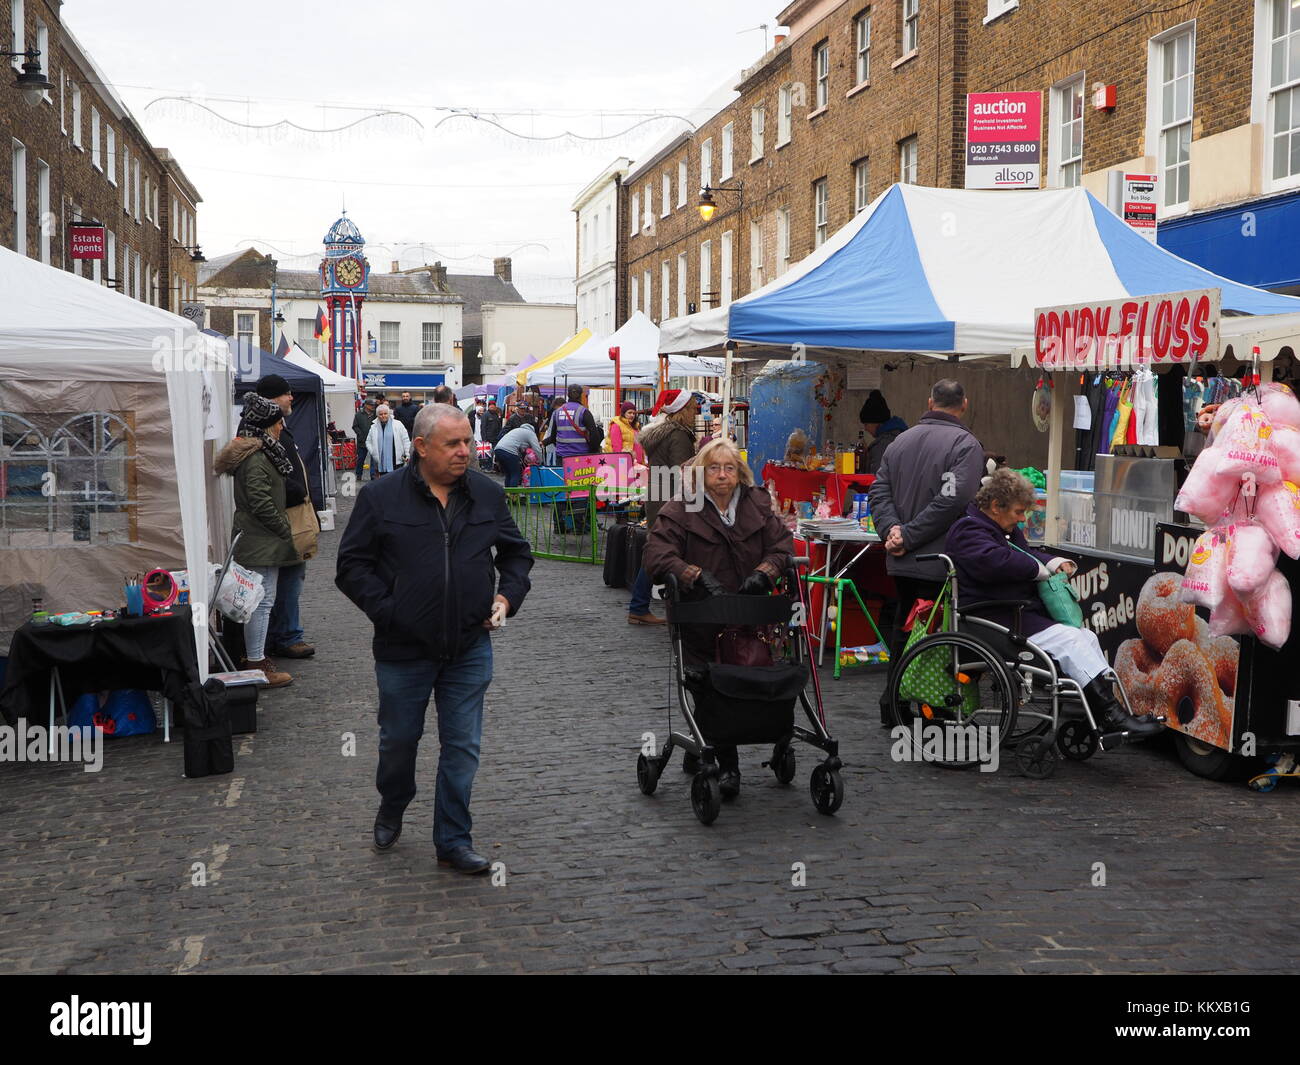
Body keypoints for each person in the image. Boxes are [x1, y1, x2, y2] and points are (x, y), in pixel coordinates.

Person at [336, 403, 534, 872]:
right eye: (453, 444)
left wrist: (505, 599)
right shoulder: (381, 498)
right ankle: (394, 801)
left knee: (462, 747)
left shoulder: (486, 494)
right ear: (421, 447)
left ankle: (453, 839)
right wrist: (390, 612)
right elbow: (352, 567)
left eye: (467, 441)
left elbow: (516, 555)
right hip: (403, 650)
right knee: (398, 741)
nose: (465, 451)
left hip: (468, 646)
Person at [945, 469, 1162, 738]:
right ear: (995, 507)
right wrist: (1037, 569)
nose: (1023, 519)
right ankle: (1112, 715)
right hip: (992, 617)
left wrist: (1053, 562)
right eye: (1018, 512)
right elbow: (997, 563)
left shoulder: (999, 527)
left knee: (1087, 637)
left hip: (1012, 612)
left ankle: (1098, 712)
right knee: (1070, 641)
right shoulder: (967, 530)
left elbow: (1025, 553)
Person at [643, 438, 795, 798]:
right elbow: (656, 554)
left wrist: (766, 570)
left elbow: (782, 546)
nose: (722, 476)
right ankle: (727, 763)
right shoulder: (681, 508)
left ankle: (720, 743)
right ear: (701, 472)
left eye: (729, 468)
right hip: (702, 620)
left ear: (739, 472)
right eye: (714, 468)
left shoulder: (757, 503)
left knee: (752, 681)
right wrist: (692, 573)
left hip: (750, 618)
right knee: (714, 685)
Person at [869, 379, 985, 725]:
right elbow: (952, 502)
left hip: (904, 559)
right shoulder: (965, 444)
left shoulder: (899, 442)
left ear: (929, 402)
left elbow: (879, 492)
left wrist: (894, 531)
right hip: (938, 560)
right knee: (934, 634)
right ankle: (926, 705)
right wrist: (905, 534)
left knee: (905, 628)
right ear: (963, 405)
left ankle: (894, 704)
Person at [213, 393, 298, 688]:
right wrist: (283, 528)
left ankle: (255, 658)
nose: (281, 426)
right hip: (261, 539)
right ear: (268, 425)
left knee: (260, 600)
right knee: (261, 602)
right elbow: (260, 501)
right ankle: (256, 662)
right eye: (278, 421)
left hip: (261, 538)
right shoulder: (258, 456)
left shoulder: (260, 453)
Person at [253, 374, 320, 661]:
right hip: (283, 517)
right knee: (279, 584)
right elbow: (268, 482)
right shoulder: (259, 435)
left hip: (292, 514)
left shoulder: (279, 431)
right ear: (271, 399)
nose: (291, 397)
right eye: (286, 394)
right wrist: (294, 493)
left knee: (291, 577)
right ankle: (284, 636)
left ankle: (284, 634)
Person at [858, 389, 908, 474]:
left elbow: (875, 478)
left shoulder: (882, 445)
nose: (865, 429)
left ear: (875, 423)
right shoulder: (901, 436)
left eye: (866, 424)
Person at [546, 384, 601, 462]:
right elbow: (594, 436)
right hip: (581, 456)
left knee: (563, 474)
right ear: (581, 395)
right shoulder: (584, 412)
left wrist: (562, 448)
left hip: (562, 457)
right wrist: (592, 450)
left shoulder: (557, 412)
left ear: (568, 395)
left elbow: (553, 437)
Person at [493, 418, 543, 488]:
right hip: (509, 451)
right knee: (515, 474)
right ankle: (513, 496)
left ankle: (508, 495)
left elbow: (520, 447)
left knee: (508, 474)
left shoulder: (516, 430)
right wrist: (541, 461)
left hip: (498, 450)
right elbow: (537, 449)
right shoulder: (530, 433)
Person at [365, 403, 410, 478]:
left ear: (389, 414)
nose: (383, 416)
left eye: (385, 413)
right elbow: (368, 441)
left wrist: (407, 453)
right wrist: (373, 452)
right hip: (381, 462)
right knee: (384, 482)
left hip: (396, 460)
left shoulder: (398, 424)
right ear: (377, 415)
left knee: (397, 481)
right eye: (381, 414)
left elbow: (405, 440)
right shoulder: (373, 427)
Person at [352, 397, 376, 479]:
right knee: (361, 459)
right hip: (362, 441)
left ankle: (373, 475)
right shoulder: (358, 414)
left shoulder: (375, 414)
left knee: (373, 459)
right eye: (371, 405)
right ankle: (359, 474)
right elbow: (355, 426)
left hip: (373, 441)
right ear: (366, 405)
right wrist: (361, 435)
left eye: (373, 405)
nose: (373, 406)